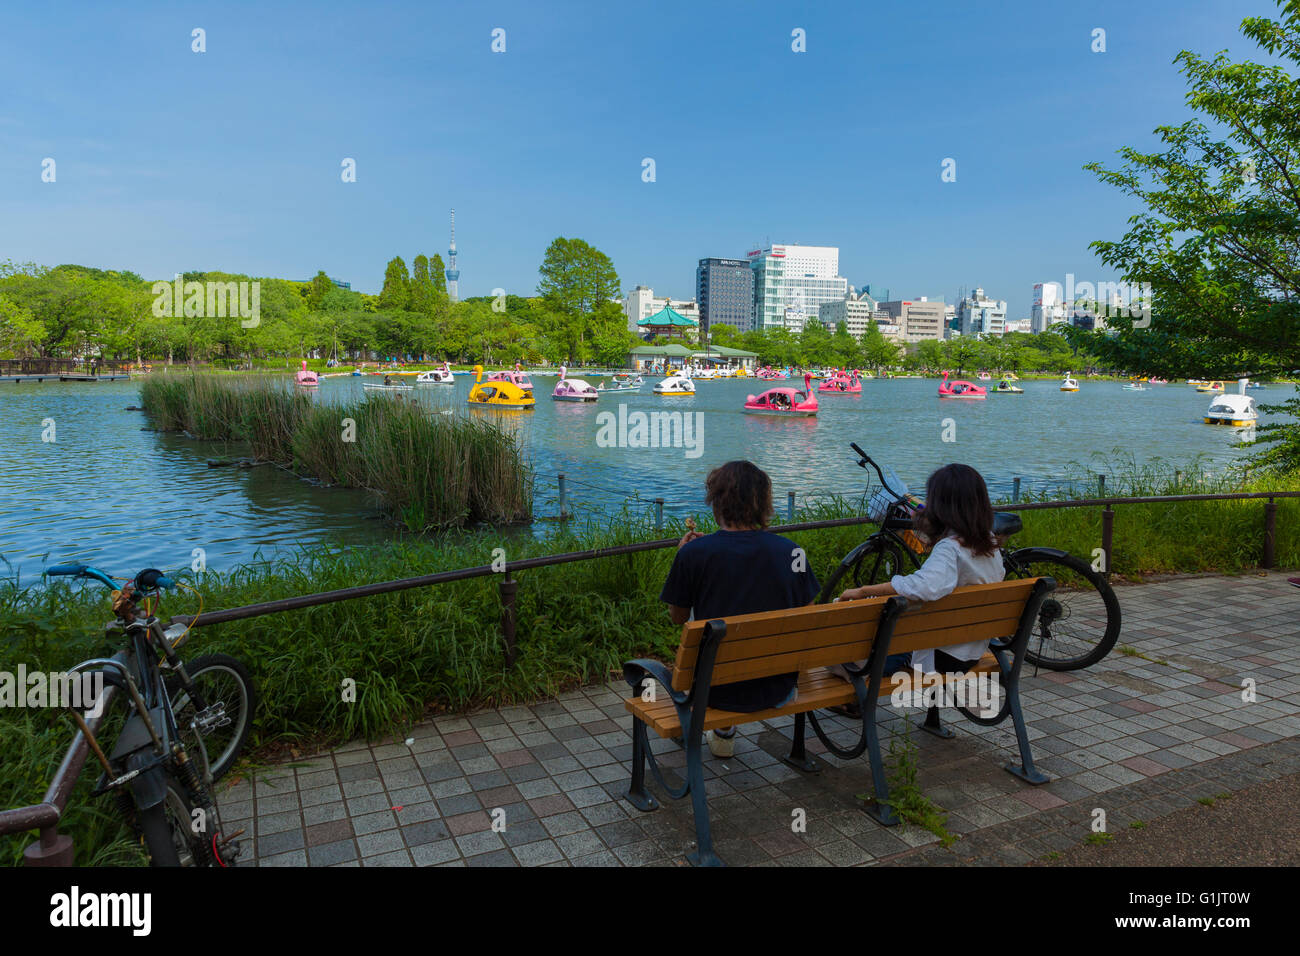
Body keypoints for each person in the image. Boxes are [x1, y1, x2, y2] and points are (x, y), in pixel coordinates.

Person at [661, 461, 819, 758]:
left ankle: (721, 727)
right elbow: (807, 619)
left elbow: (677, 617)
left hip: (714, 691)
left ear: (717, 501)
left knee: (705, 623)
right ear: (764, 503)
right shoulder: (792, 551)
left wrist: (685, 559)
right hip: (778, 688)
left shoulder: (694, 554)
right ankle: (725, 727)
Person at [834, 463, 1004, 684]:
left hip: (941, 655)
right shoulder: (989, 542)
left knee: (845, 654)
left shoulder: (951, 548)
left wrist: (863, 591)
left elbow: (922, 587)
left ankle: (857, 699)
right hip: (970, 648)